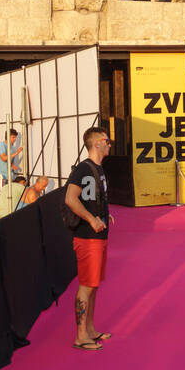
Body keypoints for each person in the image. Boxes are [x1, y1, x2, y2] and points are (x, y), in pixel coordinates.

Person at [64, 127, 113, 351]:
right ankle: (81, 335)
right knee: (86, 285)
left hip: (99, 235)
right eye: (106, 140)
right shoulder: (83, 169)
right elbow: (70, 199)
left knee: (94, 285)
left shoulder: (98, 169)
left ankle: (90, 330)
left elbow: (92, 197)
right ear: (96, 144)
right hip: (87, 237)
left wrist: (103, 214)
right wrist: (92, 219)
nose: (110, 143)